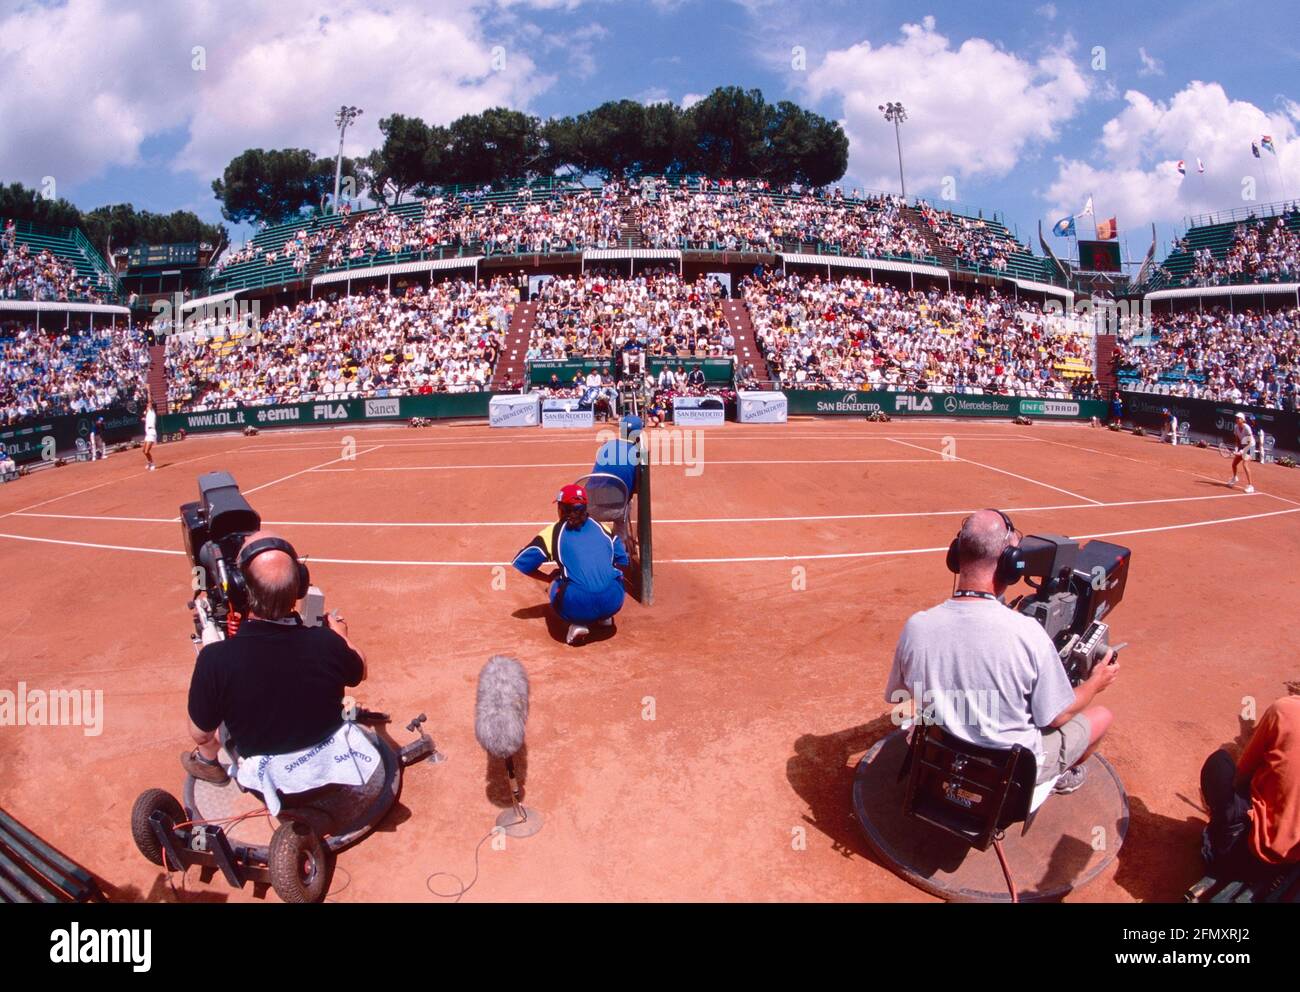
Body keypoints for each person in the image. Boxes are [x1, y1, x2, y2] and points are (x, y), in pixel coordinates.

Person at [884, 509, 1119, 795]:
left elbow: (898, 693)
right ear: (1012, 565)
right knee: (1102, 716)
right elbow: (1056, 717)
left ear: (956, 556)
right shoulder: (1029, 634)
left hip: (940, 755)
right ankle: (1059, 777)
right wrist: (1096, 682)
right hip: (1007, 777)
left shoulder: (917, 626)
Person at [184, 531, 371, 799]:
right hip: (333, 773)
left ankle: (207, 762)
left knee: (216, 716)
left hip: (271, 787)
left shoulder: (215, 659)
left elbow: (201, 733)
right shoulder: (326, 642)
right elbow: (360, 670)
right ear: (300, 585)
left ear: (239, 588)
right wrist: (341, 635)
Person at [512, 484, 629, 646]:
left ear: (561, 508)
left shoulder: (553, 533)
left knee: (556, 576)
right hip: (614, 600)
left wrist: (549, 579)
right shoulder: (603, 528)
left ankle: (578, 624)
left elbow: (521, 562)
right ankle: (604, 618)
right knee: (611, 574)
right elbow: (623, 560)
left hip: (578, 604)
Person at [1200, 695, 1300, 872]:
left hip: (1256, 848)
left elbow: (1241, 775)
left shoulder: (1285, 710)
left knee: (1220, 762)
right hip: (1294, 855)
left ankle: (1226, 833)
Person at [1228, 412, 1256, 493]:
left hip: (1251, 446)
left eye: (1238, 418)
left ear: (1242, 420)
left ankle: (1251, 486)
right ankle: (1234, 478)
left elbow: (1250, 441)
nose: (1236, 419)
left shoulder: (1247, 428)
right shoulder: (1236, 427)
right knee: (1234, 464)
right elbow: (1237, 441)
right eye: (1236, 418)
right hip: (1243, 445)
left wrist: (1242, 451)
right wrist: (1236, 449)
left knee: (1245, 464)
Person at [142, 401, 158, 472]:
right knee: (143, 450)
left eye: (148, 406)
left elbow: (150, 402)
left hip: (152, 432)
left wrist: (148, 390)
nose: (147, 407)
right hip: (148, 433)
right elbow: (148, 421)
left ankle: (152, 464)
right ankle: (149, 462)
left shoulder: (152, 412)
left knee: (146, 451)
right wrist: (144, 419)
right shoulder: (148, 414)